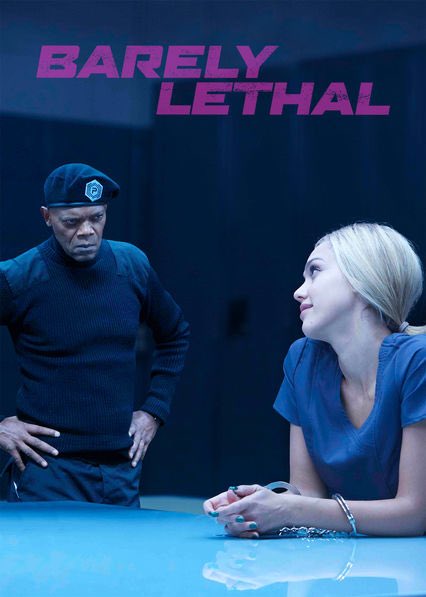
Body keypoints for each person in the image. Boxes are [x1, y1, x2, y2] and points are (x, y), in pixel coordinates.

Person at [204, 223, 426, 537]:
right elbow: (308, 496)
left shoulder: (418, 361)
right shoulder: (303, 360)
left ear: (363, 278)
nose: (298, 291)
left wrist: (289, 509)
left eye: (315, 271)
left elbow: (416, 514)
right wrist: (259, 506)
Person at [0, 163, 190, 507]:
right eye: (71, 221)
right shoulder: (19, 277)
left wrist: (154, 410)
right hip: (48, 471)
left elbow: (175, 333)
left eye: (97, 218)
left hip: (120, 472)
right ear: (47, 217)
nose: (86, 231)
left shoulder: (130, 265)